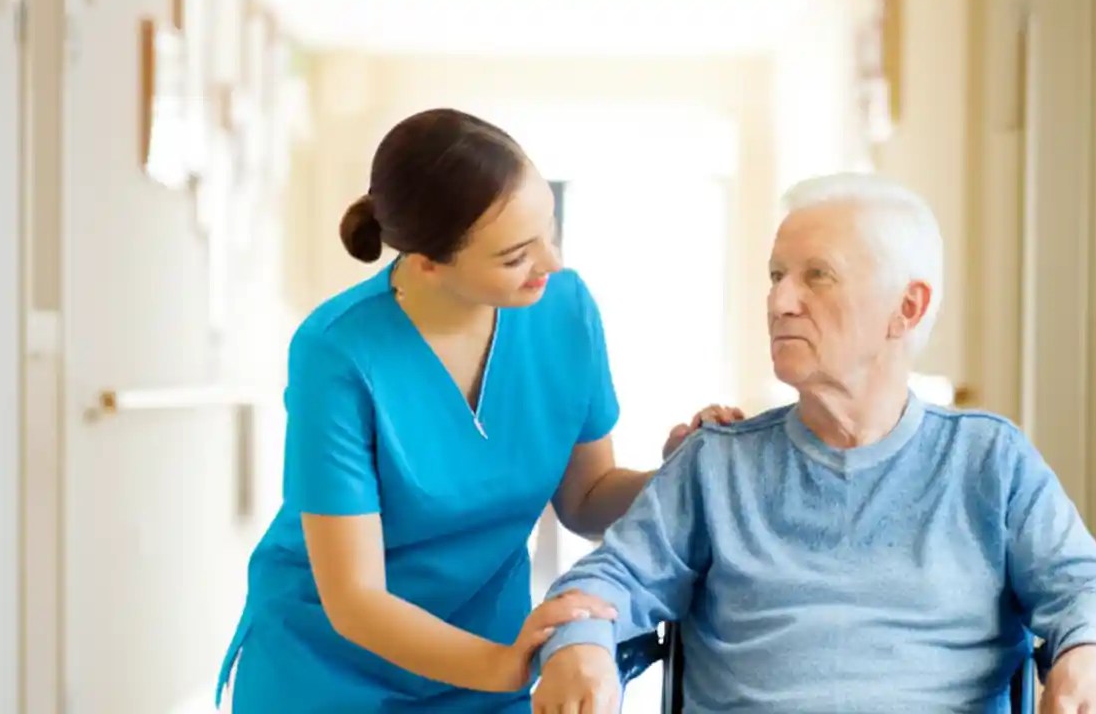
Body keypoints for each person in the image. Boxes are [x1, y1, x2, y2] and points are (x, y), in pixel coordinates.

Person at [532, 173, 1096, 714]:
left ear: (907, 307)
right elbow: (608, 579)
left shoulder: (990, 462)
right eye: (775, 277)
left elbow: (1091, 589)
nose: (778, 301)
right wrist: (580, 645)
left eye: (816, 276)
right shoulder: (718, 462)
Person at [213, 107, 742, 713]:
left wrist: (686, 475)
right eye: (516, 255)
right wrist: (507, 665)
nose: (551, 263)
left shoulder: (565, 311)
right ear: (429, 261)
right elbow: (355, 598)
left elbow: (586, 499)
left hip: (487, 646)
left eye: (550, 230)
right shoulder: (337, 351)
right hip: (328, 668)